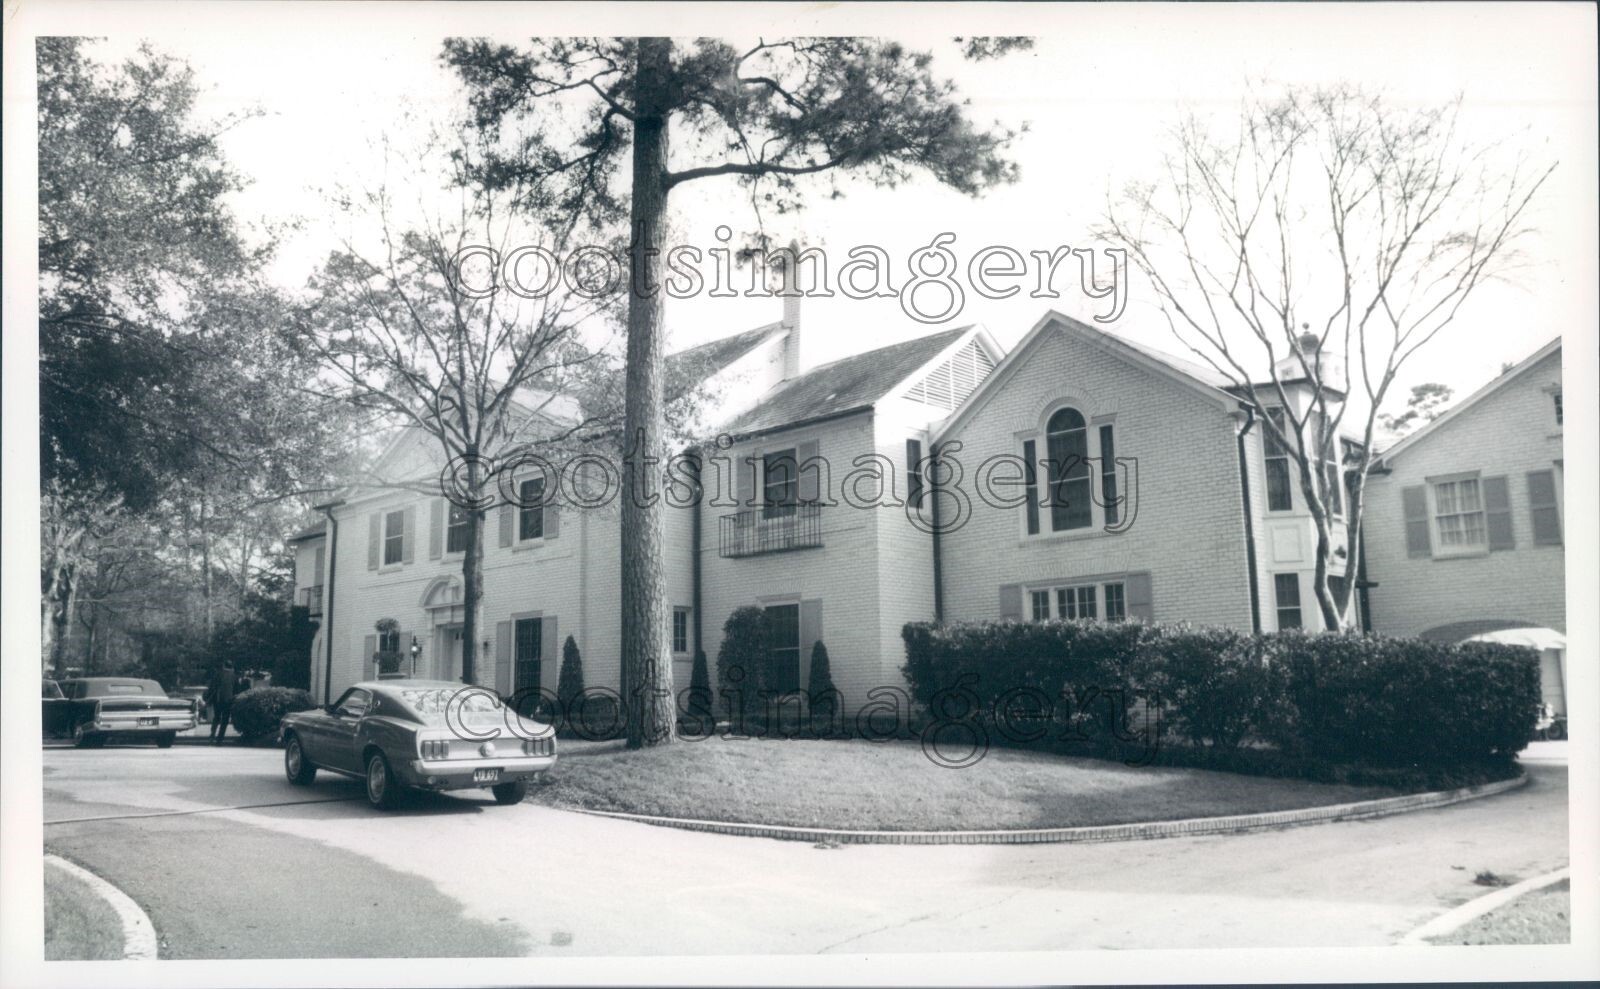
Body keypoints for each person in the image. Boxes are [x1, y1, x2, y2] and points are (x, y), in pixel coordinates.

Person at [207, 661, 237, 744]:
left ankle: (212, 735)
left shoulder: (218, 674)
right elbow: (236, 690)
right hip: (229, 701)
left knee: (216, 717)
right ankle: (220, 739)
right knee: (225, 720)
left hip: (218, 700)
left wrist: (209, 700)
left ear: (224, 666)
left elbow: (212, 688)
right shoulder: (234, 676)